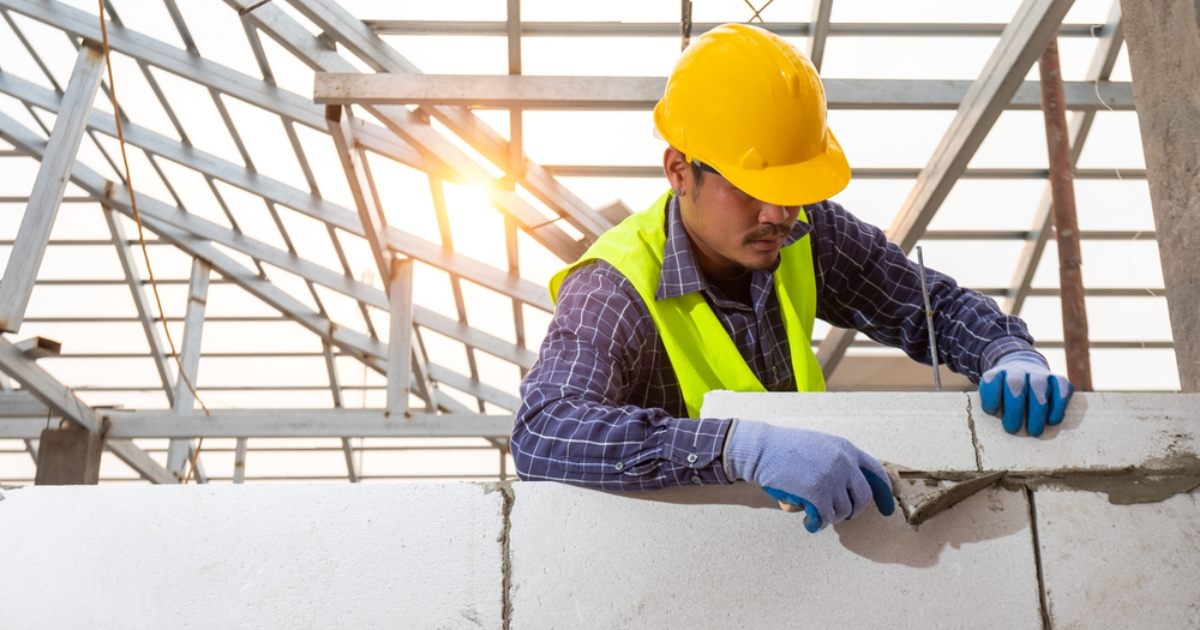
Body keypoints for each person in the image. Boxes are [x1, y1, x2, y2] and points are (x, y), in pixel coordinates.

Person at [510, 23, 1074, 533]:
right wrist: (738, 446)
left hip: (807, 541)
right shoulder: (613, 289)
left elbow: (931, 308)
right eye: (752, 188)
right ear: (680, 171)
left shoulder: (808, 229)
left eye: (792, 189)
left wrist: (1003, 352)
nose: (778, 214)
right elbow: (544, 431)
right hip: (671, 560)